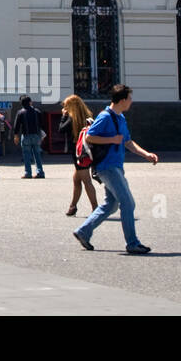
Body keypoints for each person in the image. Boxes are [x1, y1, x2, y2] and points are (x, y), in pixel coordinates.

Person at [73, 85, 159, 254]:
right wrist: (112, 139)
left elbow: (127, 141)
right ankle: (132, 243)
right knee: (128, 202)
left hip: (116, 166)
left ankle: (83, 231)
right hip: (107, 166)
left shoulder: (120, 118)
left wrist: (146, 154)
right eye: (130, 98)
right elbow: (90, 137)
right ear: (122, 100)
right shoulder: (105, 117)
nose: (131, 102)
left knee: (111, 205)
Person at [59, 94, 98, 216]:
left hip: (78, 153)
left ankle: (95, 208)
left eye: (66, 106)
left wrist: (63, 116)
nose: (65, 108)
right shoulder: (88, 116)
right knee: (76, 180)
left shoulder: (71, 118)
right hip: (86, 151)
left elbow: (61, 129)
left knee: (86, 180)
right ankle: (73, 206)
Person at [12, 96, 46, 179]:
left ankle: (28, 173)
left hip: (26, 136)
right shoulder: (37, 111)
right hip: (36, 136)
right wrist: (42, 135)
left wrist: (16, 136)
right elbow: (42, 124)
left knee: (26, 155)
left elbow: (16, 126)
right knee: (37, 154)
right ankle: (40, 172)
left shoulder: (20, 112)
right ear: (30, 102)